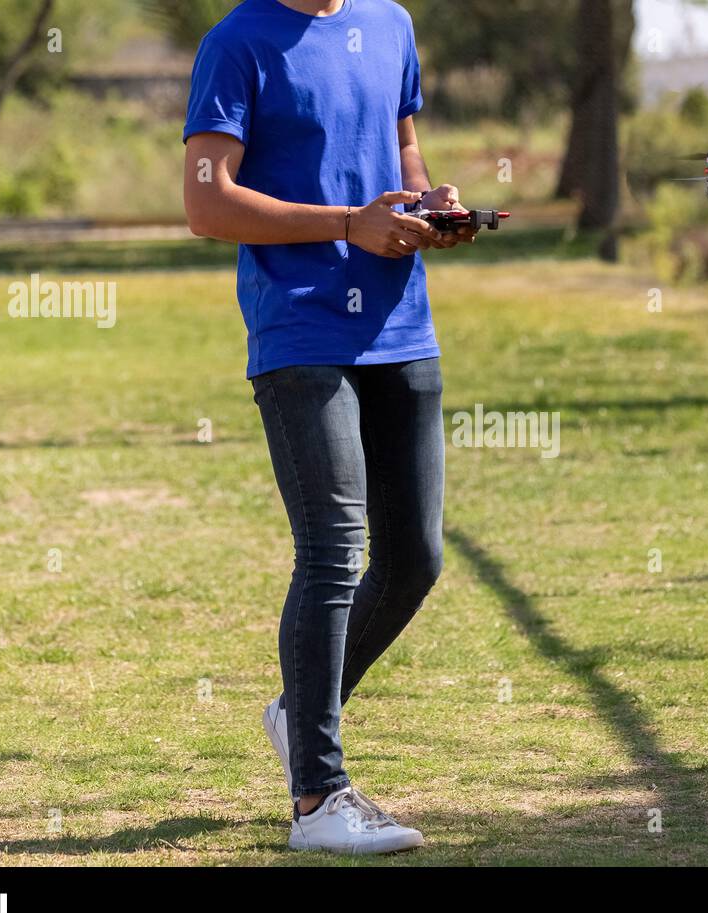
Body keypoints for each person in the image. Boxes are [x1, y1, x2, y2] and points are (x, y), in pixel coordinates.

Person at [182, 0, 475, 854]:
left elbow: (402, 144)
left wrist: (428, 202)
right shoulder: (236, 44)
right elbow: (208, 205)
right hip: (302, 332)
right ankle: (318, 798)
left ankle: (298, 711)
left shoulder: (392, 24)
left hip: (401, 325)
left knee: (414, 556)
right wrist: (350, 224)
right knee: (334, 550)